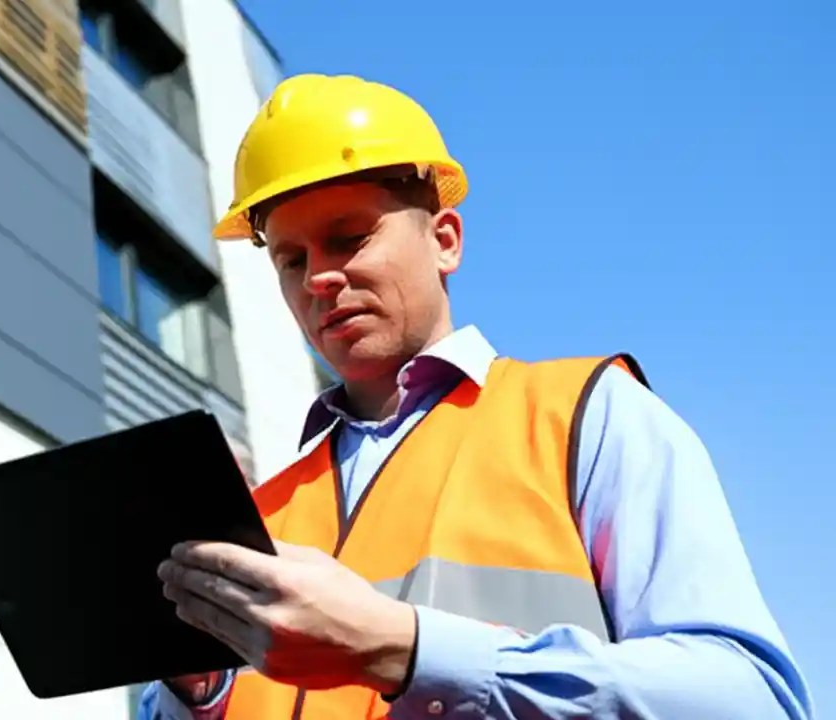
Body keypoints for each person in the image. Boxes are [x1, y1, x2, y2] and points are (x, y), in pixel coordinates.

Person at [135, 73, 813, 719]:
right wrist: (200, 692)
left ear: (445, 241)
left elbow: (749, 698)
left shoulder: (584, 415)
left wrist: (404, 648)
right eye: (292, 259)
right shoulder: (264, 511)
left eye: (348, 237)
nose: (318, 278)